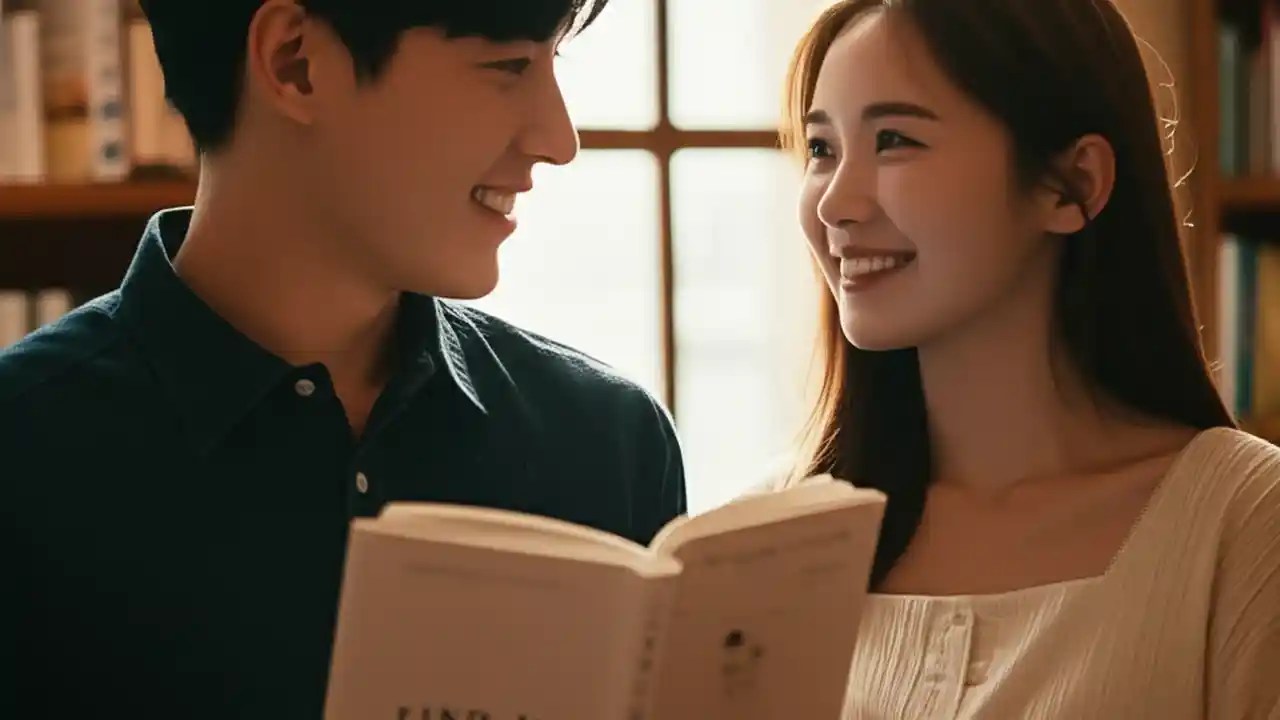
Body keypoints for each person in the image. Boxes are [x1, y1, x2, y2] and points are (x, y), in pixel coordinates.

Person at [1, 1, 686, 716]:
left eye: (554, 64)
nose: (560, 138)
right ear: (295, 64)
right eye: (508, 66)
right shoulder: (21, 458)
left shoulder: (608, 446)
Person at [776, 0, 1280, 717]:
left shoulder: (1246, 525)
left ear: (1070, 183)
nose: (835, 204)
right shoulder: (769, 541)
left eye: (893, 139)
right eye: (822, 150)